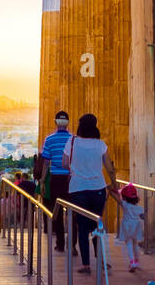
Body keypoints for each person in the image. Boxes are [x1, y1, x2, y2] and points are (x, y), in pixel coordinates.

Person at [62, 114, 117, 273]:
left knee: (82, 226)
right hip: (97, 188)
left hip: (78, 188)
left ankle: (86, 264)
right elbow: (109, 168)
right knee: (97, 225)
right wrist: (114, 185)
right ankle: (101, 261)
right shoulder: (100, 145)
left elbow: (65, 163)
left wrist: (76, 169)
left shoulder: (72, 141)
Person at [38, 109, 73, 252]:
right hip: (71, 179)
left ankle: (60, 243)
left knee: (56, 211)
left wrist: (42, 181)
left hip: (55, 179)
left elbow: (46, 162)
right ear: (68, 123)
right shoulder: (73, 139)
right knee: (72, 212)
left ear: (55, 123)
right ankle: (72, 244)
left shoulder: (49, 140)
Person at [115, 182, 144, 271]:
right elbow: (142, 216)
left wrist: (111, 190)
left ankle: (132, 262)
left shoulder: (125, 205)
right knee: (135, 244)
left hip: (127, 226)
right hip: (136, 226)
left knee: (129, 244)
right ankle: (137, 261)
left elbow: (117, 198)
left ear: (124, 197)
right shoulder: (138, 207)